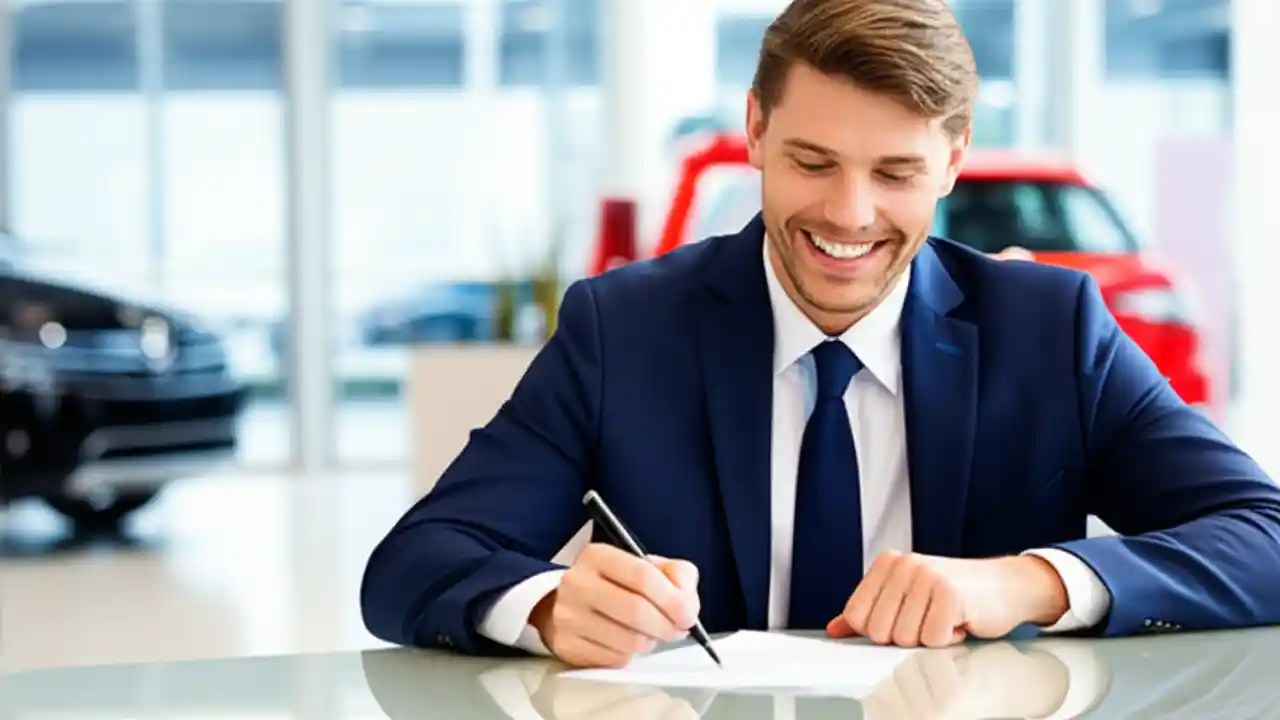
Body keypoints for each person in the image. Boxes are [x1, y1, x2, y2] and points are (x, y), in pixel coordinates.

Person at [361, 0, 1280, 669]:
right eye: (812, 161)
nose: (851, 214)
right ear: (756, 131)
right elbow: (414, 563)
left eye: (895, 171)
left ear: (954, 159)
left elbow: (1264, 536)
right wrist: (552, 606)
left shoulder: (1049, 329)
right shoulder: (625, 329)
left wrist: (1026, 582)